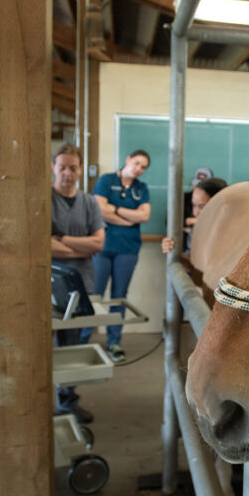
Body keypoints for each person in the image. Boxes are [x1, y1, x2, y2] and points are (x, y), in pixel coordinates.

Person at [50, 144, 104, 422]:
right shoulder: (43, 199)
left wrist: (61, 240)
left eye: (73, 167)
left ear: (80, 170)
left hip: (80, 286)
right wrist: (82, 248)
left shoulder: (90, 202)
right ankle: (35, 400)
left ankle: (67, 401)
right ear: (53, 168)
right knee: (40, 346)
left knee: (71, 349)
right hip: (47, 287)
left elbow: (99, 243)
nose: (68, 173)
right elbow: (42, 246)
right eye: (62, 167)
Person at [92, 150, 151, 362]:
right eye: (136, 163)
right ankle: (81, 338)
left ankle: (114, 343)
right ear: (127, 159)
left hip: (128, 249)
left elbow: (145, 215)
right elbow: (99, 209)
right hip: (102, 246)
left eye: (143, 167)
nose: (138, 169)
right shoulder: (106, 180)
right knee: (94, 295)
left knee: (119, 297)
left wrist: (114, 209)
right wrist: (128, 218)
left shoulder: (141, 188)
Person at [161, 177, 228, 256]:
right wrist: (173, 249)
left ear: (220, 204)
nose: (195, 213)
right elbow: (191, 260)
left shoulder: (232, 234)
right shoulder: (196, 231)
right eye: (193, 205)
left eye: (201, 207)